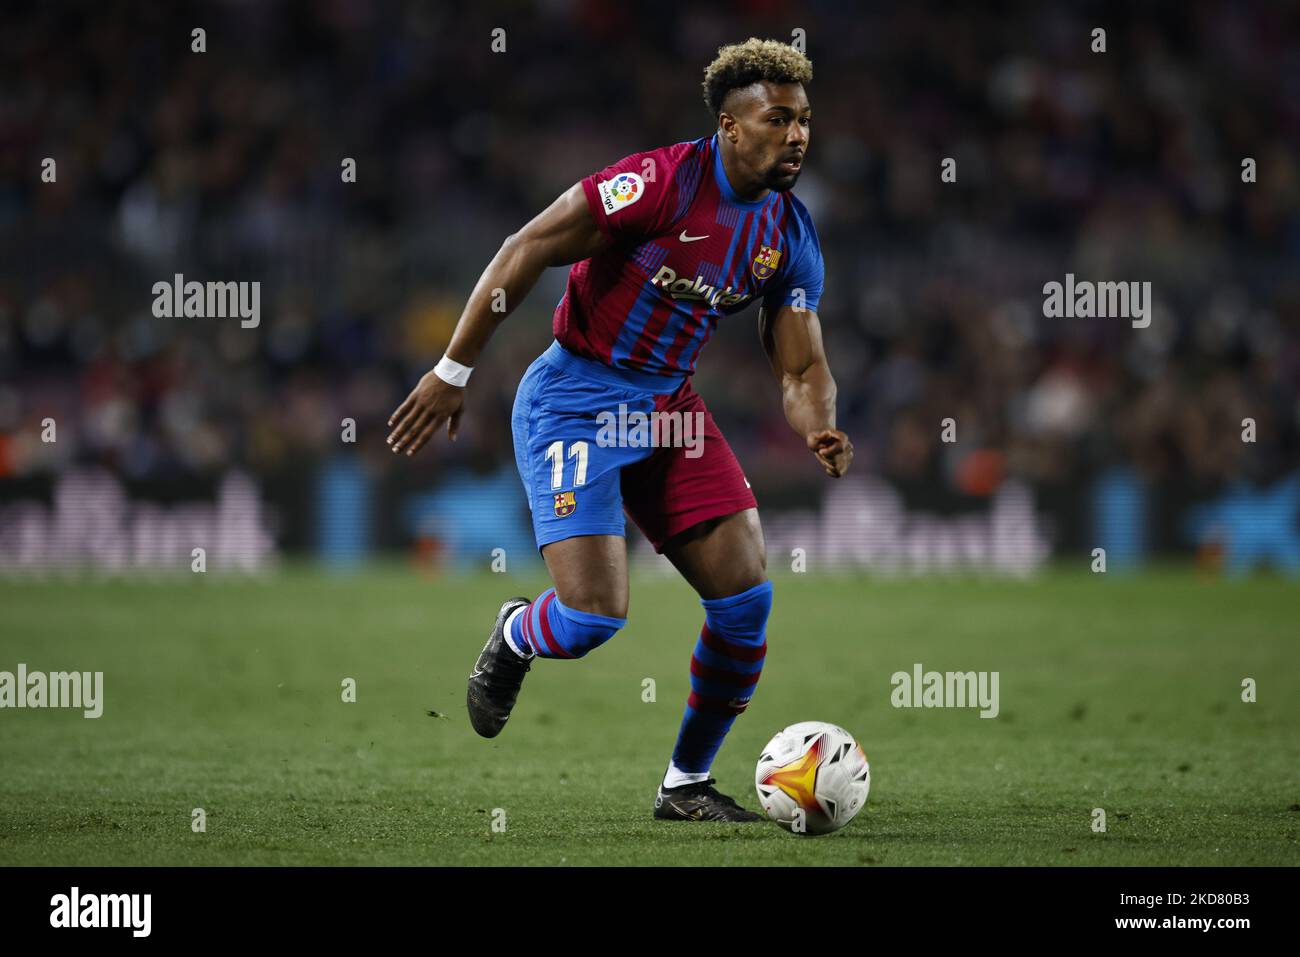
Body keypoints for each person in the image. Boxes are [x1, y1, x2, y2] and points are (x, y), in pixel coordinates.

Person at [386, 38, 852, 822]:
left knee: (744, 601)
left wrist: (819, 427)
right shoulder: (659, 184)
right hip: (575, 398)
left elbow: (800, 369)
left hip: (670, 411)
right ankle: (516, 633)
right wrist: (452, 371)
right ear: (731, 127)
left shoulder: (789, 234)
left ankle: (685, 785)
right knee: (593, 617)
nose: (798, 135)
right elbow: (525, 248)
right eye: (779, 118)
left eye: (804, 119)